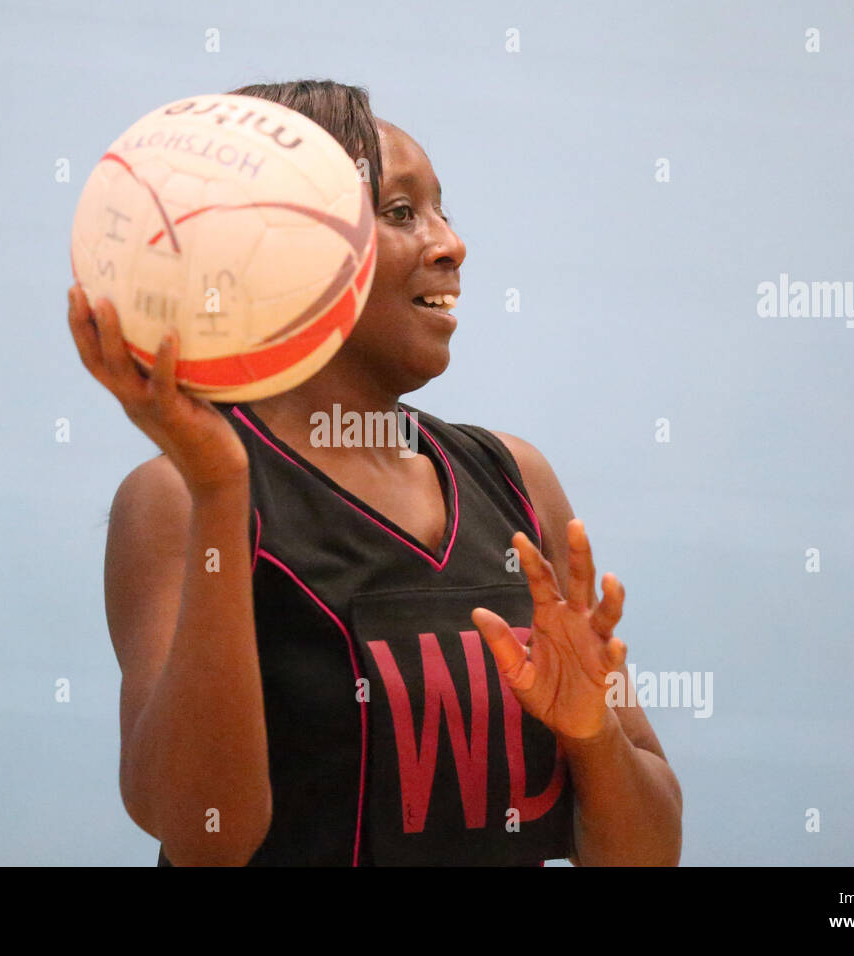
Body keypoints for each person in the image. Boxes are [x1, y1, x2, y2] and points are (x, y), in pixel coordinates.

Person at [67, 79, 682, 866]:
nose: (450, 244)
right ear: (282, 250)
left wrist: (592, 735)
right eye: (399, 213)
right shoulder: (180, 497)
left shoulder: (516, 478)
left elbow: (649, 854)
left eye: (440, 210)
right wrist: (222, 491)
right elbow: (202, 833)